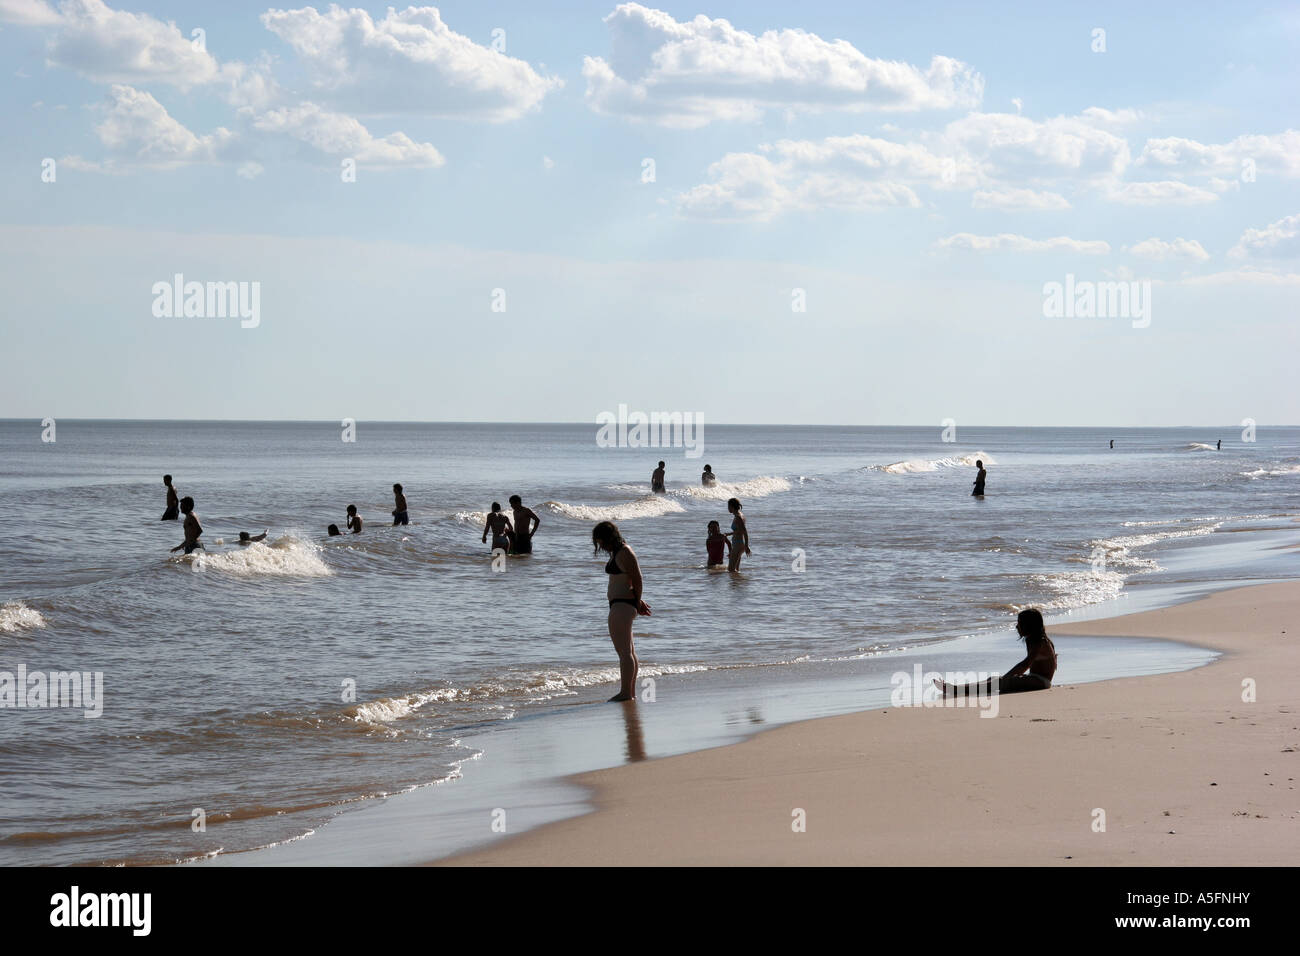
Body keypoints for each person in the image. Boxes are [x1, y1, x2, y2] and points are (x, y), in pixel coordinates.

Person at [935, 608, 1057, 698]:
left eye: (1019, 623)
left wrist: (1007, 677)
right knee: (994, 679)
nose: (1016, 626)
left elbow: (1025, 664)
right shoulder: (1033, 639)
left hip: (1040, 682)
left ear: (1029, 625)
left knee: (999, 682)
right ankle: (959, 688)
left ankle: (955, 689)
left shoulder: (1040, 642)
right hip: (1035, 679)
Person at [593, 521, 651, 702]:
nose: (599, 545)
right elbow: (629, 580)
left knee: (624, 652)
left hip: (622, 606)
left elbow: (638, 578)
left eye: (600, 540)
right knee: (629, 652)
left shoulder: (625, 552)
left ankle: (626, 692)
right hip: (622, 605)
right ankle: (630, 692)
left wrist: (637, 601)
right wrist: (637, 601)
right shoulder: (618, 551)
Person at [726, 497, 750, 572]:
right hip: (738, 544)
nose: (728, 508)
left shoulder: (738, 517)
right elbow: (739, 530)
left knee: (731, 569)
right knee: (736, 569)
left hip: (738, 545)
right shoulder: (739, 515)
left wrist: (746, 546)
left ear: (731, 506)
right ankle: (737, 582)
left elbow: (745, 532)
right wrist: (729, 534)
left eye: (728, 506)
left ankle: (735, 583)